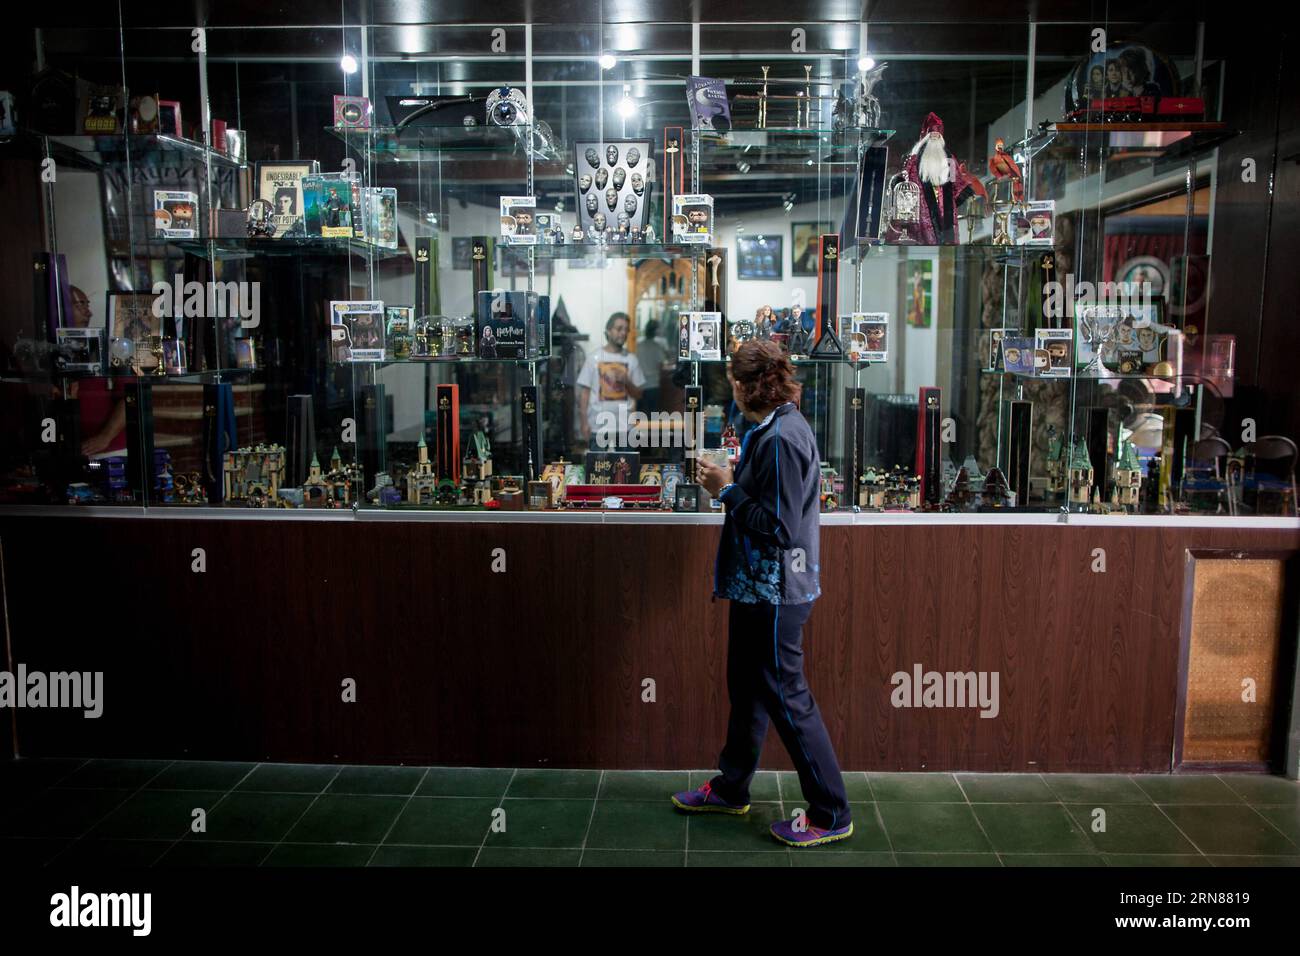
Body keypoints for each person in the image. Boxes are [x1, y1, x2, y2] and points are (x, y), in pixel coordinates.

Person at [671, 339, 853, 848]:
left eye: (733, 381)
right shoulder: (771, 429)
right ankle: (732, 788)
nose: (730, 389)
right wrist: (731, 481)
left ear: (750, 386)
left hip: (777, 591)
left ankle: (831, 812)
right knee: (748, 690)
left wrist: (726, 489)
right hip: (758, 588)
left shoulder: (780, 439)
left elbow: (778, 527)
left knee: (788, 698)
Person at [65, 285, 129, 456]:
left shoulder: (112, 346)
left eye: (88, 305)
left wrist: (105, 437)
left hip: (110, 451)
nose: (89, 313)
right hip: (70, 452)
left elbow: (131, 396)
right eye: (80, 306)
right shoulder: (51, 349)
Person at [576, 311, 646, 449]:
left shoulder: (631, 360)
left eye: (626, 329)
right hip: (598, 426)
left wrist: (627, 381)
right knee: (598, 469)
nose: (623, 333)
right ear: (608, 331)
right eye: (619, 328)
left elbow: (639, 394)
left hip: (625, 427)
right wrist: (583, 422)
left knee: (626, 469)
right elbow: (584, 394)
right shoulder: (594, 358)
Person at [634, 319, 668, 415]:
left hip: (639, 384)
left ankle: (638, 430)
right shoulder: (657, 347)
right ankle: (651, 431)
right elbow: (661, 365)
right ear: (655, 332)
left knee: (638, 414)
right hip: (653, 384)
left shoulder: (637, 345)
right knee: (653, 414)